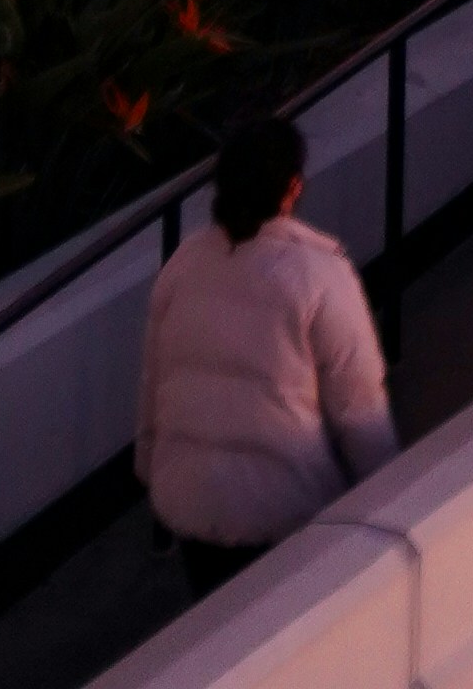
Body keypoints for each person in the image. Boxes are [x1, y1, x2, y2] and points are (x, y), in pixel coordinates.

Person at [135, 114, 396, 592]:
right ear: (292, 188)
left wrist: (151, 464)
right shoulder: (320, 276)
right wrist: (392, 494)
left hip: (191, 499)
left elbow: (156, 383)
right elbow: (358, 406)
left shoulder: (182, 267)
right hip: (286, 506)